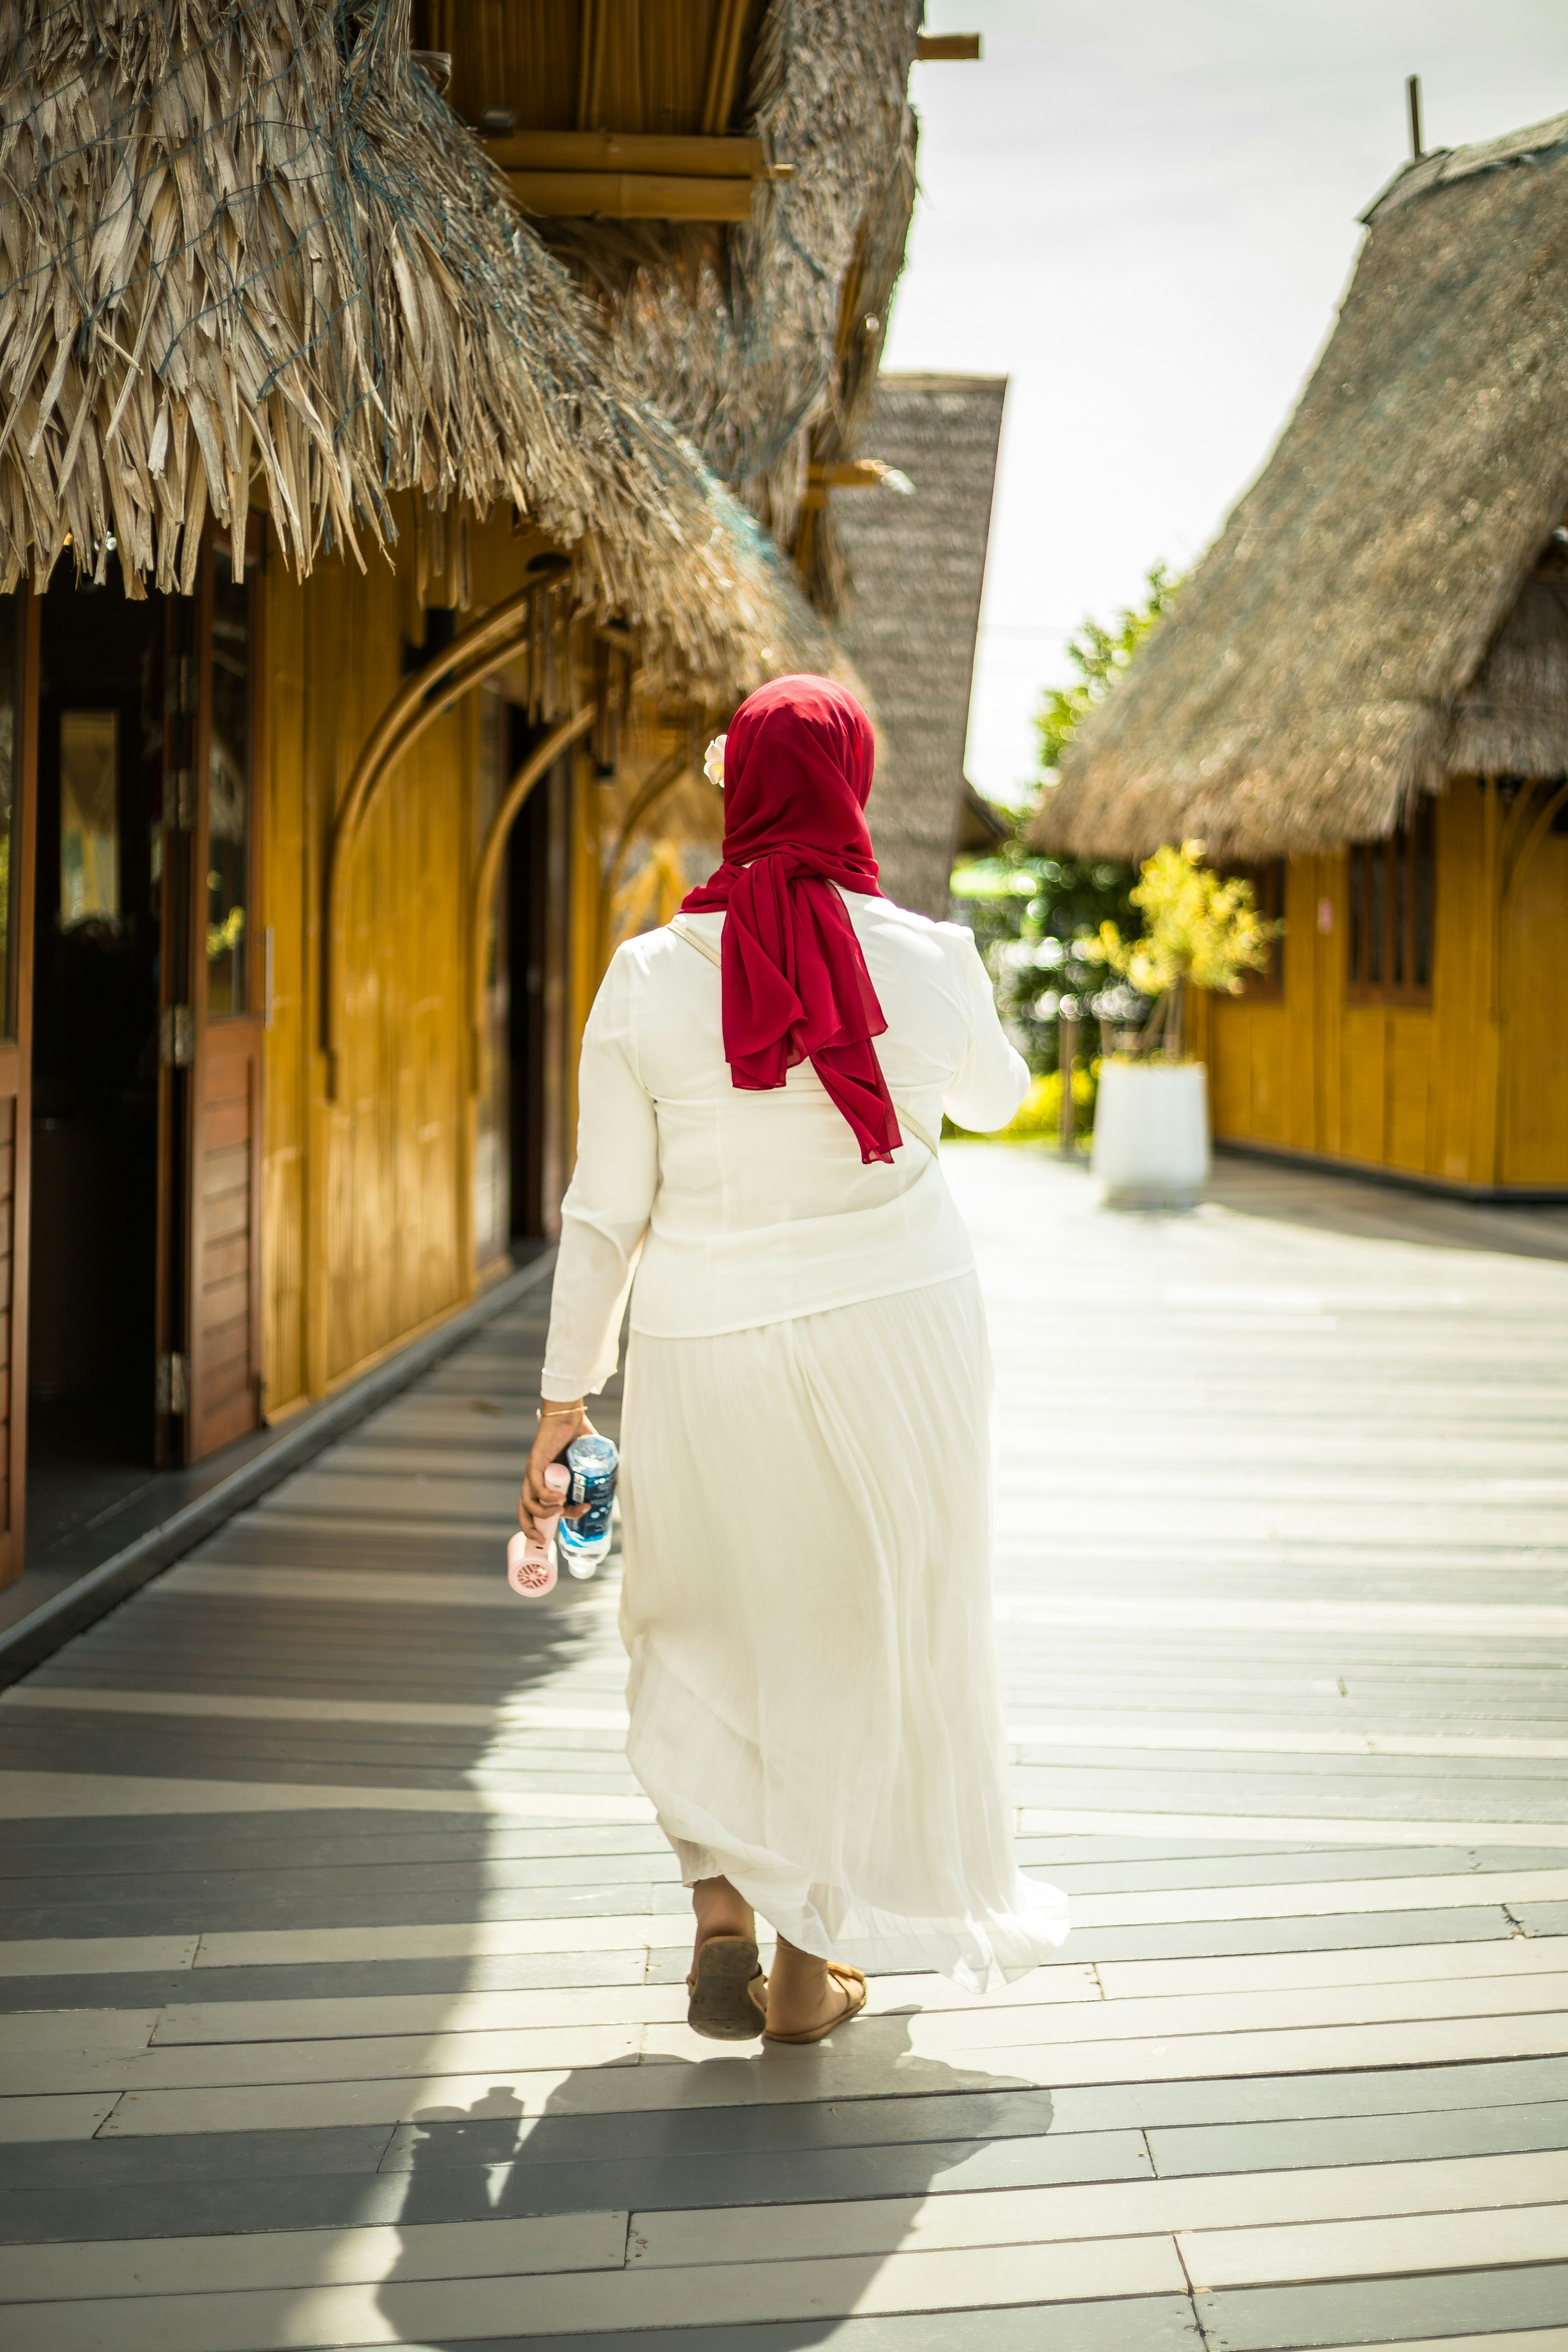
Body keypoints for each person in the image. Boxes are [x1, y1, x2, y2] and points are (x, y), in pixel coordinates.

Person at [520, 674, 1067, 2043]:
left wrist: (560, 1402)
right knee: (861, 1627)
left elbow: (605, 1214)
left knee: (692, 1615)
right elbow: (1002, 1098)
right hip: (901, 1339)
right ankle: (811, 1965)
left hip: (704, 1343)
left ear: (737, 793)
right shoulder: (931, 956)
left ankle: (718, 1909)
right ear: (854, 791)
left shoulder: (650, 975)